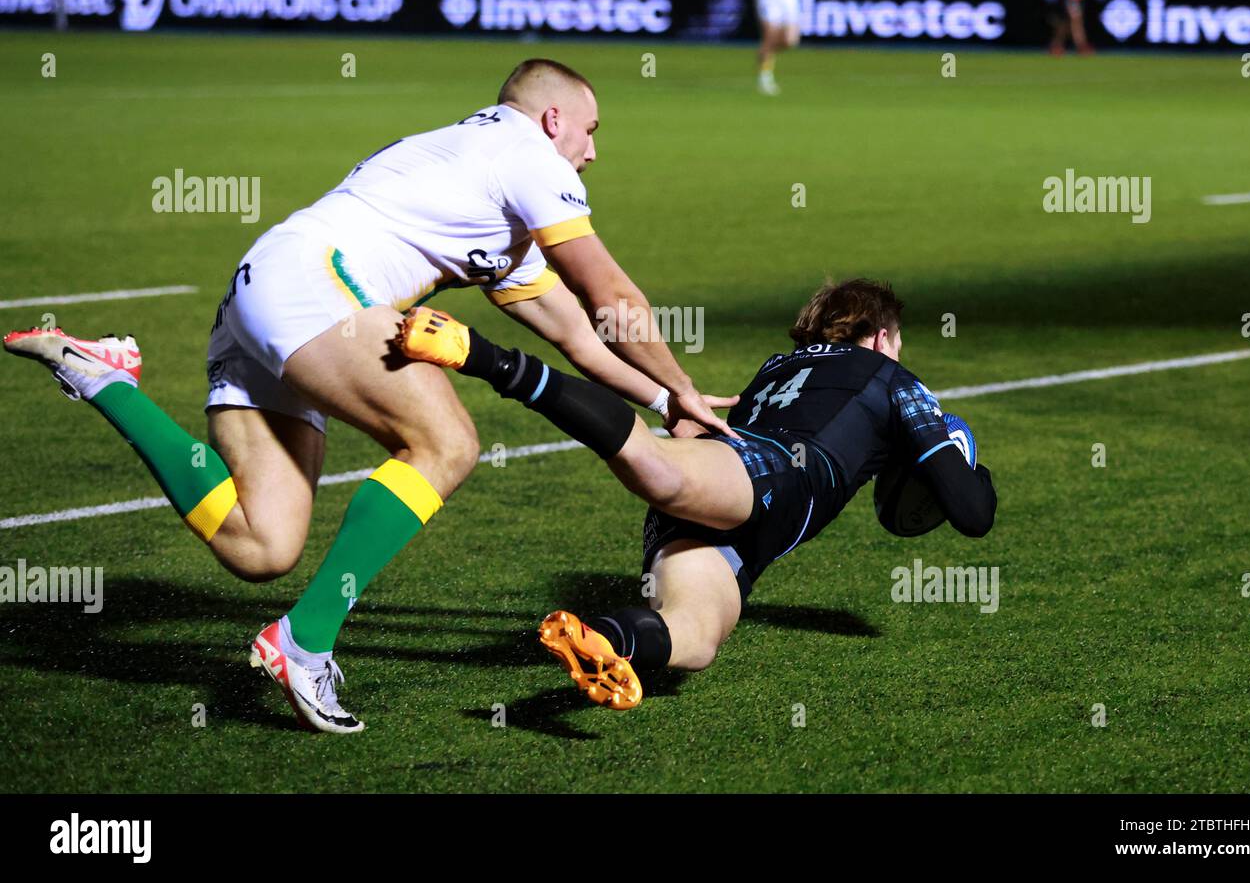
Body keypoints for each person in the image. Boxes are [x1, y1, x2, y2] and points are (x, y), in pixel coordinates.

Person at [4, 58, 735, 733]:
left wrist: (670, 400)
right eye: (590, 131)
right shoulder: (528, 155)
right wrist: (675, 380)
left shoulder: (484, 192)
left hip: (264, 293)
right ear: (552, 119)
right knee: (448, 442)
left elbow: (579, 334)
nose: (592, 152)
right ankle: (302, 640)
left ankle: (103, 378)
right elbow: (609, 292)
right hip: (312, 283)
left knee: (263, 545)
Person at [398, 279, 997, 709]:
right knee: (658, 467)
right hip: (770, 477)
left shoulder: (776, 366)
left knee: (696, 637)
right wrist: (966, 458)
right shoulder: (896, 378)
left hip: (741, 503)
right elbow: (970, 514)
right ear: (883, 336)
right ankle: (483, 355)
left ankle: (602, 637)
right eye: (897, 342)